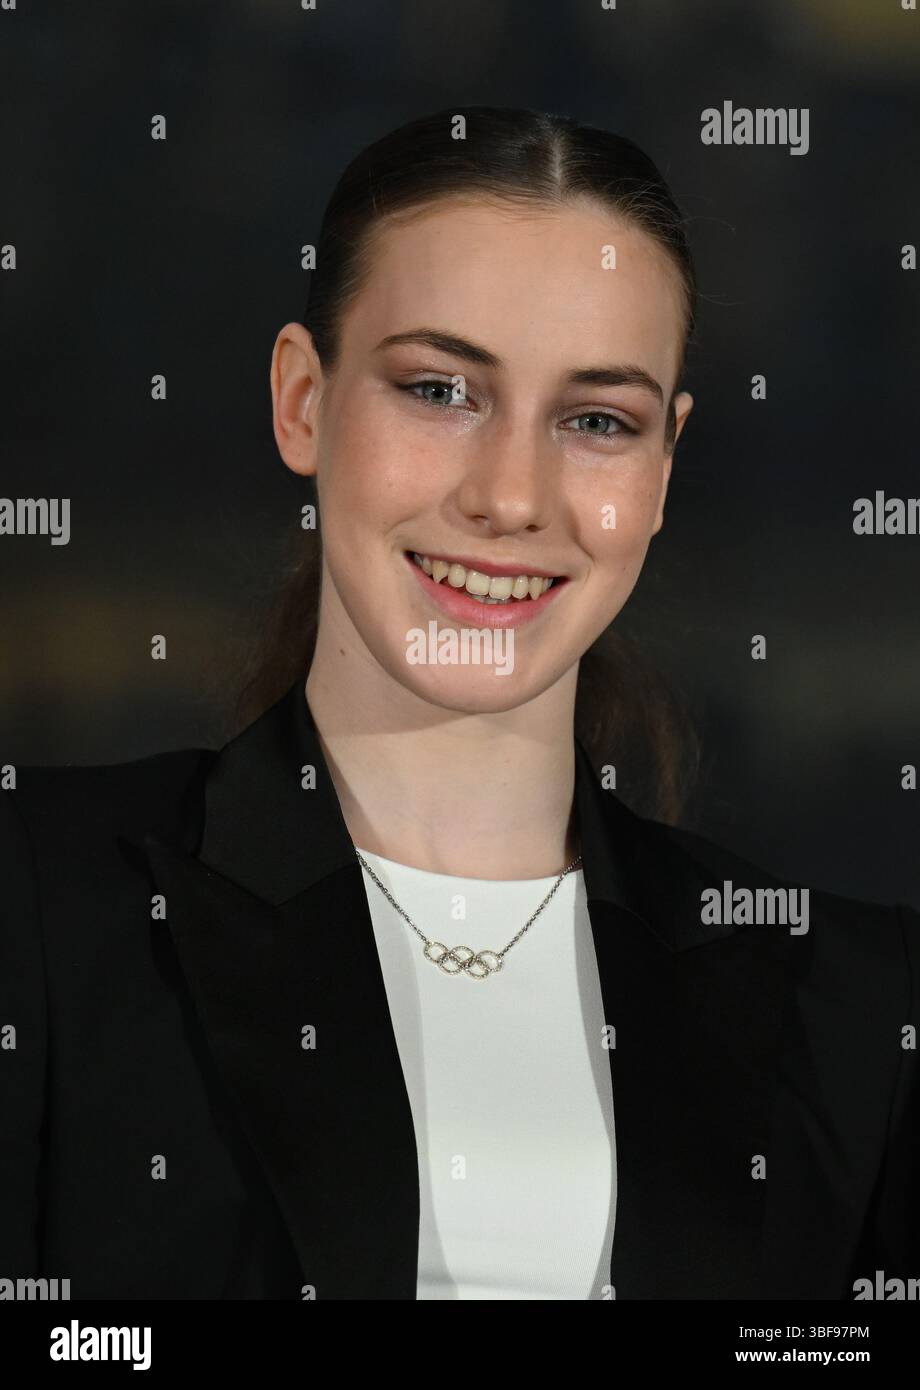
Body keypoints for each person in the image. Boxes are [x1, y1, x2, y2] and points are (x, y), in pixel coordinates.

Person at [1, 106, 917, 1302]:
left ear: (660, 472)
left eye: (597, 420)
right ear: (302, 401)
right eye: (440, 389)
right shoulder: (40, 906)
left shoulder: (852, 1008)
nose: (511, 496)